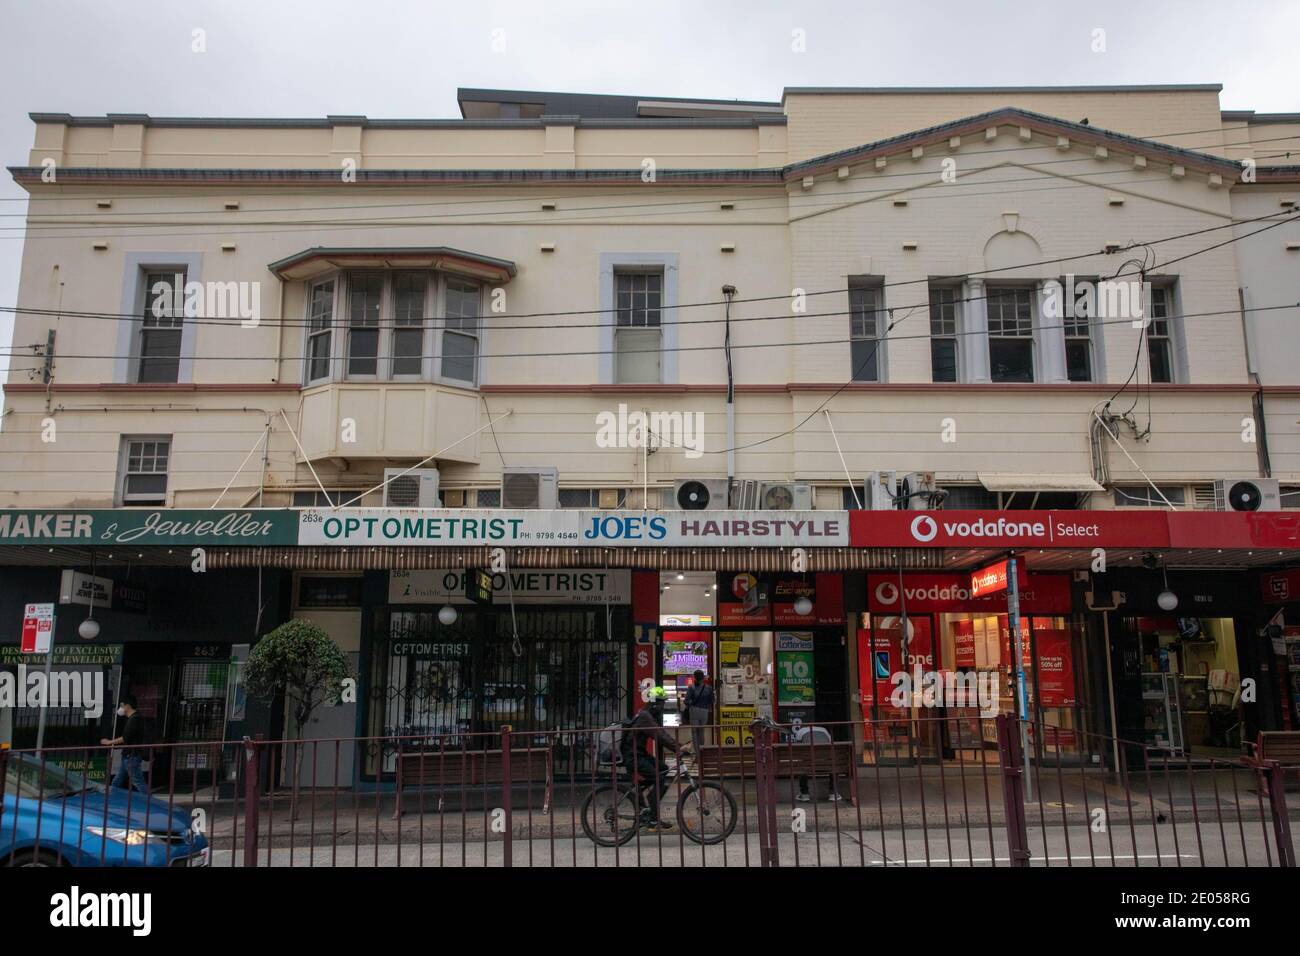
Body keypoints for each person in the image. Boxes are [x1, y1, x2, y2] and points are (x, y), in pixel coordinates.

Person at [620, 686, 682, 830]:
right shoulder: (645, 717)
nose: (662, 706)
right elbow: (659, 735)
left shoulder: (646, 714)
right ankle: (652, 817)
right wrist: (677, 748)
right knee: (659, 778)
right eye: (661, 703)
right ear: (654, 703)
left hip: (638, 754)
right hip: (633, 756)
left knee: (663, 769)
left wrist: (677, 745)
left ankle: (650, 809)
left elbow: (661, 733)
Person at [101, 693, 150, 794]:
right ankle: (110, 796)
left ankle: (149, 801)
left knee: (137, 781)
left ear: (127, 706)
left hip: (131, 756)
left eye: (122, 705)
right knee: (117, 780)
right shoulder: (134, 718)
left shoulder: (135, 719)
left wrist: (109, 742)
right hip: (128, 755)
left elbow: (125, 737)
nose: (120, 708)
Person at [790, 721, 841, 803]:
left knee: (801, 765)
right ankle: (833, 793)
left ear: (803, 726)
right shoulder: (824, 730)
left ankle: (804, 794)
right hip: (825, 763)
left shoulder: (800, 731)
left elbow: (798, 749)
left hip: (808, 763)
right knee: (834, 765)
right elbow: (830, 744)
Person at [683, 670, 714, 754]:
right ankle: (701, 751)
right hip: (704, 711)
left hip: (694, 711)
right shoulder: (708, 688)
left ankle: (697, 753)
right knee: (701, 731)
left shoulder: (691, 687)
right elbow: (712, 701)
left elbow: (686, 701)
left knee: (694, 732)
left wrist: (690, 704)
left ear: (694, 677)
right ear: (703, 677)